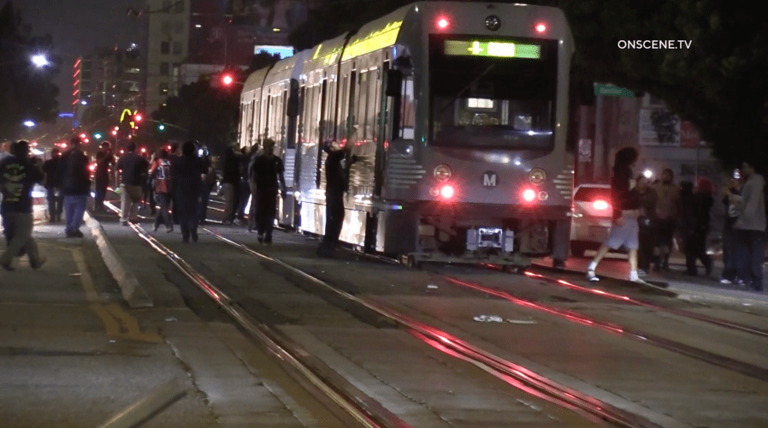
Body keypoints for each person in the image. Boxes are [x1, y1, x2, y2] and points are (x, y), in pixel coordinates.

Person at [586, 147, 648, 284]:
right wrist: (618, 213)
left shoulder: (625, 173)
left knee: (633, 245)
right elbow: (617, 196)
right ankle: (591, 267)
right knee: (612, 242)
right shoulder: (622, 174)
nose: (636, 161)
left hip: (630, 214)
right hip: (625, 214)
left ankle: (633, 274)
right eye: (635, 157)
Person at [0, 141, 46, 271]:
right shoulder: (28, 164)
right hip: (23, 205)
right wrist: (39, 166)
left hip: (7, 205)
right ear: (26, 151)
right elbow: (41, 179)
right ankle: (5, 259)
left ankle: (35, 261)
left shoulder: (4, 163)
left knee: (24, 235)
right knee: (22, 235)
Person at [317, 141, 358, 257]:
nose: (337, 146)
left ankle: (328, 246)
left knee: (335, 219)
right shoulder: (333, 158)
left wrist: (351, 163)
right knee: (335, 219)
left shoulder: (332, 161)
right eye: (334, 145)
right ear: (331, 149)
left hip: (334, 194)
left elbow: (342, 173)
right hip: (334, 194)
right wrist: (354, 136)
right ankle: (327, 247)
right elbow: (343, 152)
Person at [732, 160, 766, 291]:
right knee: (748, 253)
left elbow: (752, 204)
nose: (743, 169)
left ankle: (755, 281)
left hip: (754, 225)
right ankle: (750, 279)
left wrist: (743, 218)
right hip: (751, 225)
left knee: (753, 254)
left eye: (745, 167)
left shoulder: (755, 182)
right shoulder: (751, 183)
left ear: (752, 168)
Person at [249, 139, 286, 244]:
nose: (271, 149)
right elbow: (254, 175)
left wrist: (283, 189)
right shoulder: (259, 160)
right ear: (265, 147)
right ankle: (261, 231)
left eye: (272, 146)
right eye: (270, 146)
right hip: (261, 189)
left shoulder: (277, 161)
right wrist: (253, 187)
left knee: (270, 212)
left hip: (271, 190)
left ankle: (268, 233)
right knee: (260, 212)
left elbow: (281, 176)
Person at [171, 141, 205, 243]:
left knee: (183, 213)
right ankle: (193, 229)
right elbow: (205, 170)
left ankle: (185, 234)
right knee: (193, 212)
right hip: (194, 189)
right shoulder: (198, 161)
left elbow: (174, 175)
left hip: (181, 189)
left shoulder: (178, 161)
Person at [57, 136, 90, 238]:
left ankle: (68, 228)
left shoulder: (64, 155)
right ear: (79, 144)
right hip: (80, 187)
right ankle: (74, 228)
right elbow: (85, 172)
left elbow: (60, 171)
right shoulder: (82, 156)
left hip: (67, 187)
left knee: (69, 209)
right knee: (79, 209)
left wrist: (60, 185)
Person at [681, 179, 713, 276]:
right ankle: (704, 263)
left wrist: (693, 224)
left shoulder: (698, 198)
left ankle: (693, 268)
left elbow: (694, 211)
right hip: (700, 226)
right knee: (697, 248)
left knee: (691, 248)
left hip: (696, 226)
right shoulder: (706, 198)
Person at [653, 168, 680, 271]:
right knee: (657, 242)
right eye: (664, 175)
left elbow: (678, 205)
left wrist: (676, 217)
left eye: (668, 175)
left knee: (667, 242)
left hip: (670, 219)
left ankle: (665, 261)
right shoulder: (656, 188)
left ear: (671, 177)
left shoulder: (675, 190)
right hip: (657, 218)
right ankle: (656, 262)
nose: (666, 177)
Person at [116, 142, 149, 226]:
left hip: (124, 182)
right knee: (135, 200)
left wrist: (117, 183)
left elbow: (117, 170)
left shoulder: (123, 158)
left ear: (127, 149)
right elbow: (146, 167)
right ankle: (133, 217)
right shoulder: (140, 158)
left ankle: (123, 219)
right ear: (135, 148)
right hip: (136, 183)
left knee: (125, 201)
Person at [634, 174, 657, 275]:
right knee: (638, 245)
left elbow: (651, 203)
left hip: (648, 221)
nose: (644, 182)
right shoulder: (634, 192)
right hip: (636, 220)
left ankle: (645, 266)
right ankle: (640, 266)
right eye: (642, 180)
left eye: (645, 180)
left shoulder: (651, 192)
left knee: (647, 244)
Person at [720, 176, 742, 284]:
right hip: (729, 225)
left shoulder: (743, 192)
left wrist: (730, 192)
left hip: (740, 225)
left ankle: (737, 275)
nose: (734, 182)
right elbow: (724, 201)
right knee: (727, 250)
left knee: (737, 251)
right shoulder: (730, 192)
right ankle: (729, 274)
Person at [150, 149, 173, 233]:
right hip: (169, 186)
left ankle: (168, 225)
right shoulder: (169, 162)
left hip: (160, 187)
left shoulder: (157, 162)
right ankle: (156, 224)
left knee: (163, 208)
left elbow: (151, 172)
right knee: (164, 206)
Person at [42, 147, 64, 222]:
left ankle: (55, 215)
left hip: (56, 184)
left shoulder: (51, 163)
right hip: (54, 184)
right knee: (54, 201)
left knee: (55, 200)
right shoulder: (61, 162)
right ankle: (54, 215)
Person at [221, 145, 240, 224]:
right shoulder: (233, 160)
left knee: (228, 201)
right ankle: (227, 217)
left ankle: (227, 217)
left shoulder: (226, 161)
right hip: (231, 182)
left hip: (227, 182)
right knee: (230, 201)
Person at [94, 141, 114, 211]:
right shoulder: (99, 154)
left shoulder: (108, 155)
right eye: (105, 147)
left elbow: (113, 163)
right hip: (99, 173)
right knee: (98, 189)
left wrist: (111, 155)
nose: (106, 148)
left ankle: (101, 204)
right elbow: (99, 162)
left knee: (103, 190)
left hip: (105, 173)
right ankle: (97, 204)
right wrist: (106, 156)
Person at [198, 149, 216, 225]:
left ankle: (199, 217)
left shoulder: (198, 164)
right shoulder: (211, 168)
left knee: (199, 202)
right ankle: (202, 217)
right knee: (204, 202)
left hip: (201, 186)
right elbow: (212, 179)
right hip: (206, 186)